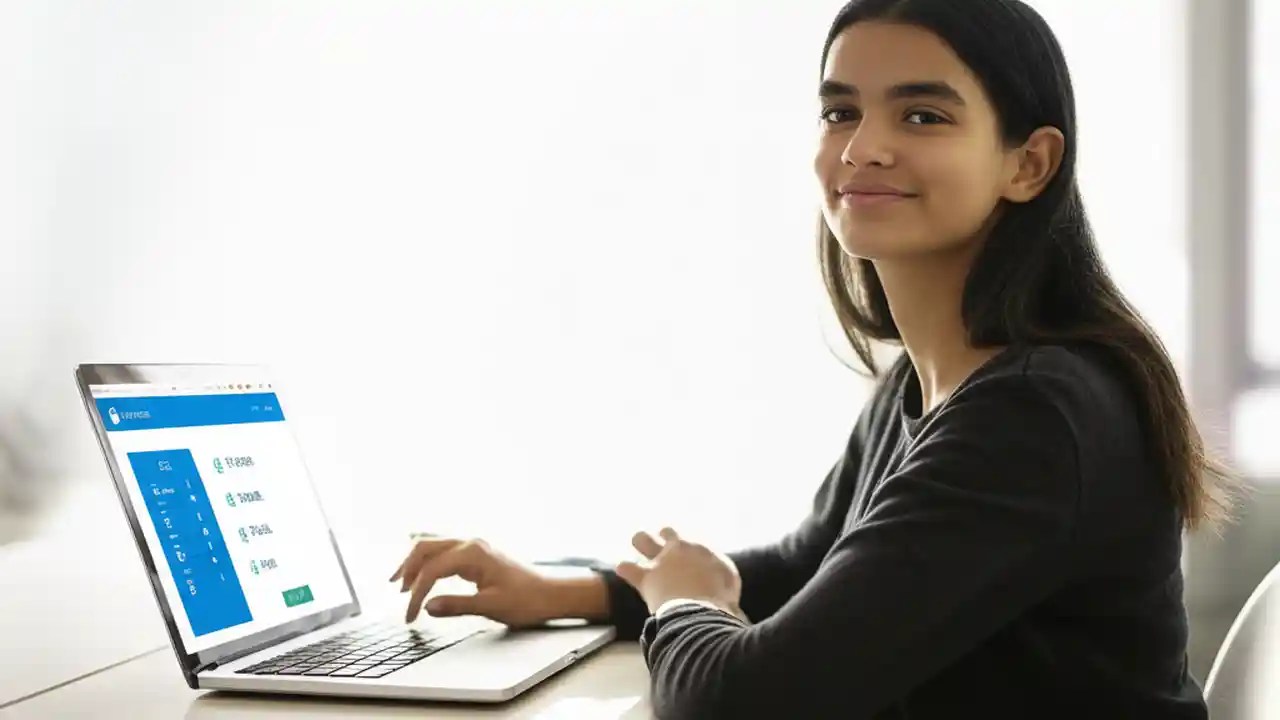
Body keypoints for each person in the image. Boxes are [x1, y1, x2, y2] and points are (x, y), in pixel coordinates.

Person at [389, 0, 1238, 717]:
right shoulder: (926, 378)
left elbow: (749, 703)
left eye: (922, 115)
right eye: (840, 111)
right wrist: (563, 590)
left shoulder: (1033, 413)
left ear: (1029, 163)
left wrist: (682, 601)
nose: (863, 146)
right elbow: (811, 570)